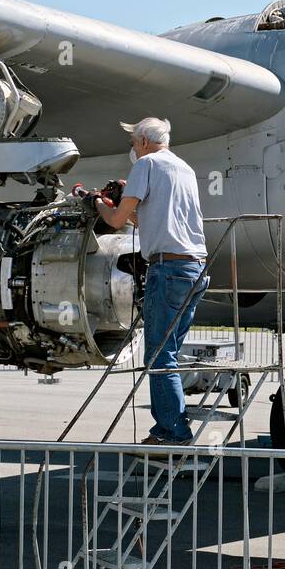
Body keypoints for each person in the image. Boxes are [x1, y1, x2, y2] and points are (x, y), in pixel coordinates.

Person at [94, 117, 208, 444]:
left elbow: (116, 221)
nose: (132, 148)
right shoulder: (183, 169)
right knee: (166, 352)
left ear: (144, 140)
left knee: (159, 357)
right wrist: (126, 199)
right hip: (195, 268)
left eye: (133, 142)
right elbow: (145, 220)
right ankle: (165, 430)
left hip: (168, 269)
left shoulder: (146, 164)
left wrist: (98, 203)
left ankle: (174, 432)